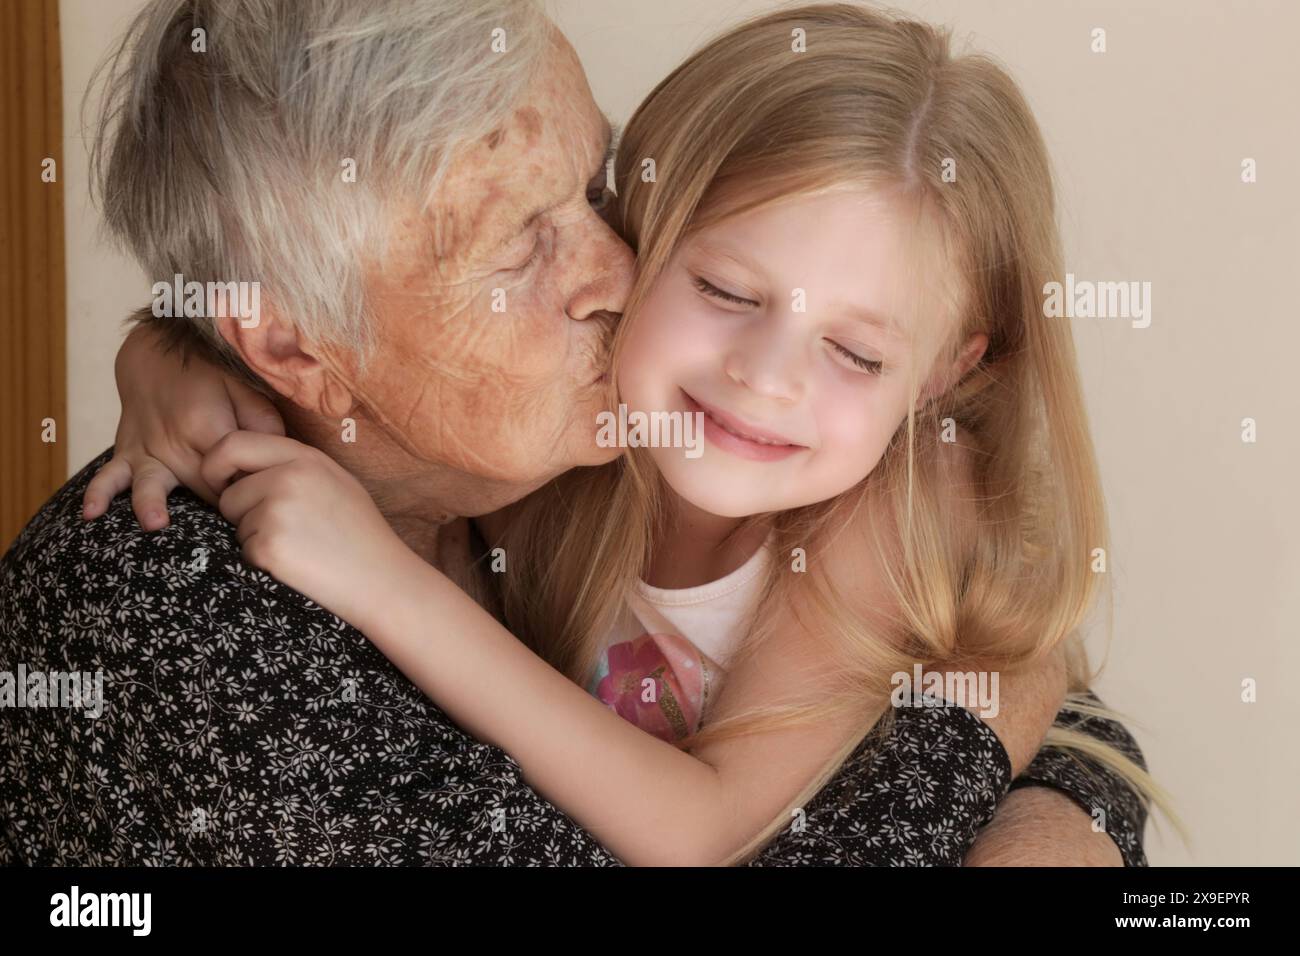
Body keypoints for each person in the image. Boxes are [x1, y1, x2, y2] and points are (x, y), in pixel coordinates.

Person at [0, 0, 1149, 866]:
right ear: (291, 347)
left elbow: (996, 668)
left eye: (598, 188)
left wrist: (1023, 694)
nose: (615, 269)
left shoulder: (566, 450)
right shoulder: (183, 649)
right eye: (517, 247)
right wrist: (998, 714)